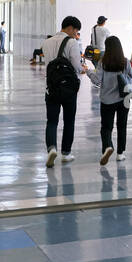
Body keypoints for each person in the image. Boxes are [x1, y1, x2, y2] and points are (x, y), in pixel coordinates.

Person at [43, 16, 89, 166]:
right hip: (68, 89)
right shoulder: (72, 42)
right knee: (69, 121)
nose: (76, 34)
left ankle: (51, 148)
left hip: (51, 87)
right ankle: (66, 153)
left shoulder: (47, 42)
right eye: (75, 31)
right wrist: (83, 69)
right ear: (70, 28)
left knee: (52, 121)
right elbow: (76, 65)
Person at [87, 35, 132, 164]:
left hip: (107, 100)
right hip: (124, 99)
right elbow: (131, 77)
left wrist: (89, 72)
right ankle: (120, 153)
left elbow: (97, 80)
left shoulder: (103, 62)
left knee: (106, 126)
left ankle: (108, 146)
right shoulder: (125, 61)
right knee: (122, 126)